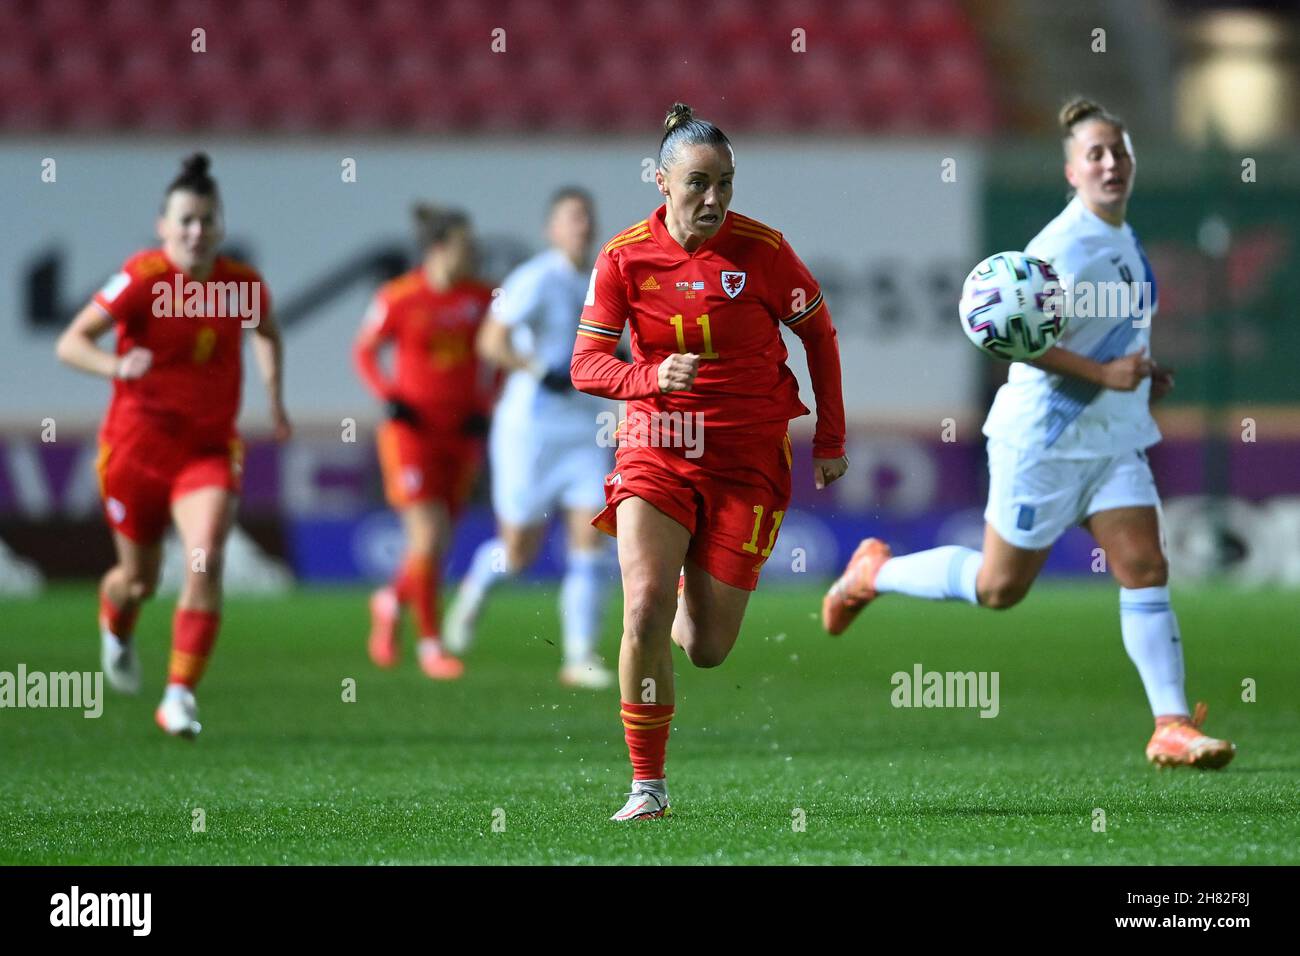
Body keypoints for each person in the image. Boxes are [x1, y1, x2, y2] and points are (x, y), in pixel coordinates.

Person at [821, 97, 1234, 770]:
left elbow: (1101, 333)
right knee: (998, 589)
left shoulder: (1122, 235)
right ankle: (875, 572)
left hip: (1112, 439)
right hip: (1045, 441)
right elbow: (1003, 337)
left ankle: (1171, 724)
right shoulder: (1059, 248)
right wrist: (1102, 371)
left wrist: (1136, 371)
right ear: (1071, 170)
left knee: (1144, 568)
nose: (1110, 163)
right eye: (1095, 154)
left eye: (1119, 152)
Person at [571, 103, 849, 820]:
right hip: (657, 448)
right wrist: (646, 379)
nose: (715, 198)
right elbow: (585, 365)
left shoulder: (764, 250)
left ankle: (669, 604)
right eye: (698, 182)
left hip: (747, 458)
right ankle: (648, 788)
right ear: (662, 182)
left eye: (725, 182)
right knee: (641, 607)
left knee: (706, 648)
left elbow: (820, 336)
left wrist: (832, 439)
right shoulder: (623, 257)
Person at [55, 152, 291, 737]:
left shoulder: (242, 285)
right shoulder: (142, 278)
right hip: (136, 451)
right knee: (138, 580)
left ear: (221, 227)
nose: (196, 231)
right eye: (185, 220)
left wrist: (275, 397)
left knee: (204, 555)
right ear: (164, 226)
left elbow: (267, 332)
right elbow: (71, 341)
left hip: (207, 451)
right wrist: (117, 363)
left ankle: (179, 695)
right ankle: (118, 625)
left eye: (207, 220)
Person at [444, 188, 616, 689]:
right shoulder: (535, 279)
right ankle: (479, 582)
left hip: (583, 428)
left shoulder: (601, 280)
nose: (581, 224)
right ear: (551, 229)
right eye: (571, 217)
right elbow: (490, 341)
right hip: (531, 430)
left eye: (586, 215)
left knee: (591, 535)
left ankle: (579, 656)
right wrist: (540, 370)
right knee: (518, 553)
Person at [355, 204, 495, 681]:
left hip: (461, 434)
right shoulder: (399, 296)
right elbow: (365, 349)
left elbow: (500, 353)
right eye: (463, 244)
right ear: (438, 249)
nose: (472, 252)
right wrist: (389, 395)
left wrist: (486, 405)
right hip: (410, 433)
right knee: (429, 537)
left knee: (439, 540)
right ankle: (431, 645)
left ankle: (391, 600)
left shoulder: (482, 297)